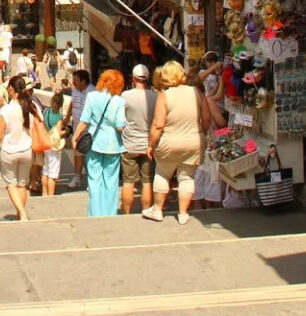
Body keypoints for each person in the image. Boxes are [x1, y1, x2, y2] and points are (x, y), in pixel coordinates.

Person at [142, 61, 211, 224]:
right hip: (193, 141)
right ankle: (183, 213)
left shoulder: (164, 96)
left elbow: (158, 125)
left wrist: (151, 144)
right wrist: (202, 133)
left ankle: (158, 210)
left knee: (162, 174)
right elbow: (206, 118)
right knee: (187, 177)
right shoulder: (196, 92)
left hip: (170, 142)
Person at [74, 69, 126, 218]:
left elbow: (84, 120)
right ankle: (109, 213)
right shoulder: (119, 100)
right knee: (111, 180)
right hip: (113, 145)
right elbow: (120, 125)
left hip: (94, 143)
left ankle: (95, 213)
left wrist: (75, 136)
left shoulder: (91, 96)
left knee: (94, 180)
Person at [0, 75, 36, 221]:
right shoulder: (31, 107)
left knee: (11, 184)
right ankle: (20, 213)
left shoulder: (6, 110)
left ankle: (22, 213)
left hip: (10, 150)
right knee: (22, 184)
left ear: (11, 89)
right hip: (27, 149)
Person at [119, 64, 157, 216]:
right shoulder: (155, 96)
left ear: (133, 78)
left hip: (129, 144)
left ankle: (127, 213)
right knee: (147, 181)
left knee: (128, 181)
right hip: (148, 145)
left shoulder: (125, 96)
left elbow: (119, 120)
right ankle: (146, 210)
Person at [66, 69, 94, 190]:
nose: (73, 82)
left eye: (76, 80)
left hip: (89, 129)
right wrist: (67, 117)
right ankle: (77, 177)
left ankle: (91, 179)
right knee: (77, 152)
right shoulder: (74, 90)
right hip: (77, 125)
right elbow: (72, 103)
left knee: (89, 154)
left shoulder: (93, 92)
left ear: (83, 81)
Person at [39, 90, 69, 196]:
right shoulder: (58, 117)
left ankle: (44, 193)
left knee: (45, 170)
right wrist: (66, 131)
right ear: (61, 104)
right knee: (52, 174)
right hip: (53, 146)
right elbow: (58, 133)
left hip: (45, 143)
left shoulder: (46, 111)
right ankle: (51, 196)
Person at [200, 52, 227, 128]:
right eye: (210, 62)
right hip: (211, 102)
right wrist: (214, 67)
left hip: (220, 104)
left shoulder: (220, 74)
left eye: (214, 62)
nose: (212, 64)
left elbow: (220, 94)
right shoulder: (203, 72)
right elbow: (200, 77)